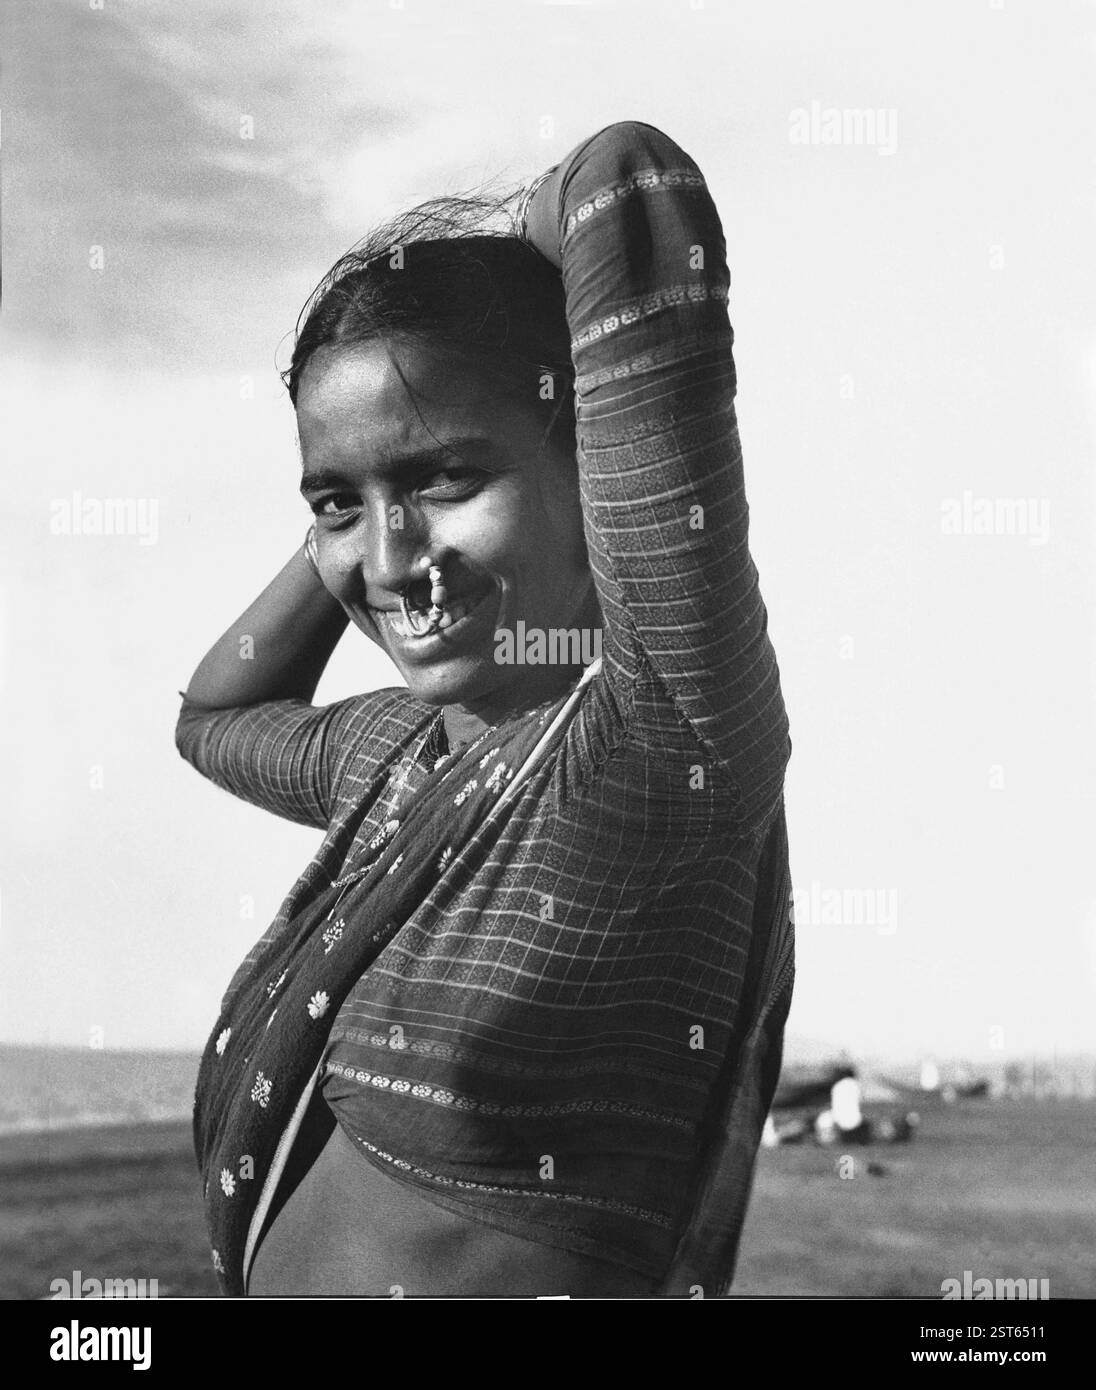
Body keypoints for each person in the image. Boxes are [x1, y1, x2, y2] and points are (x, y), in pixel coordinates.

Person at [176, 120, 794, 1298]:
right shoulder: (395, 754)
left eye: (448, 477)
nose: (396, 559)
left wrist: (487, 293)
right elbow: (213, 715)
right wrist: (369, 492)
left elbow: (629, 184)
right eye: (332, 502)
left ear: (589, 462)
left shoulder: (660, 741)